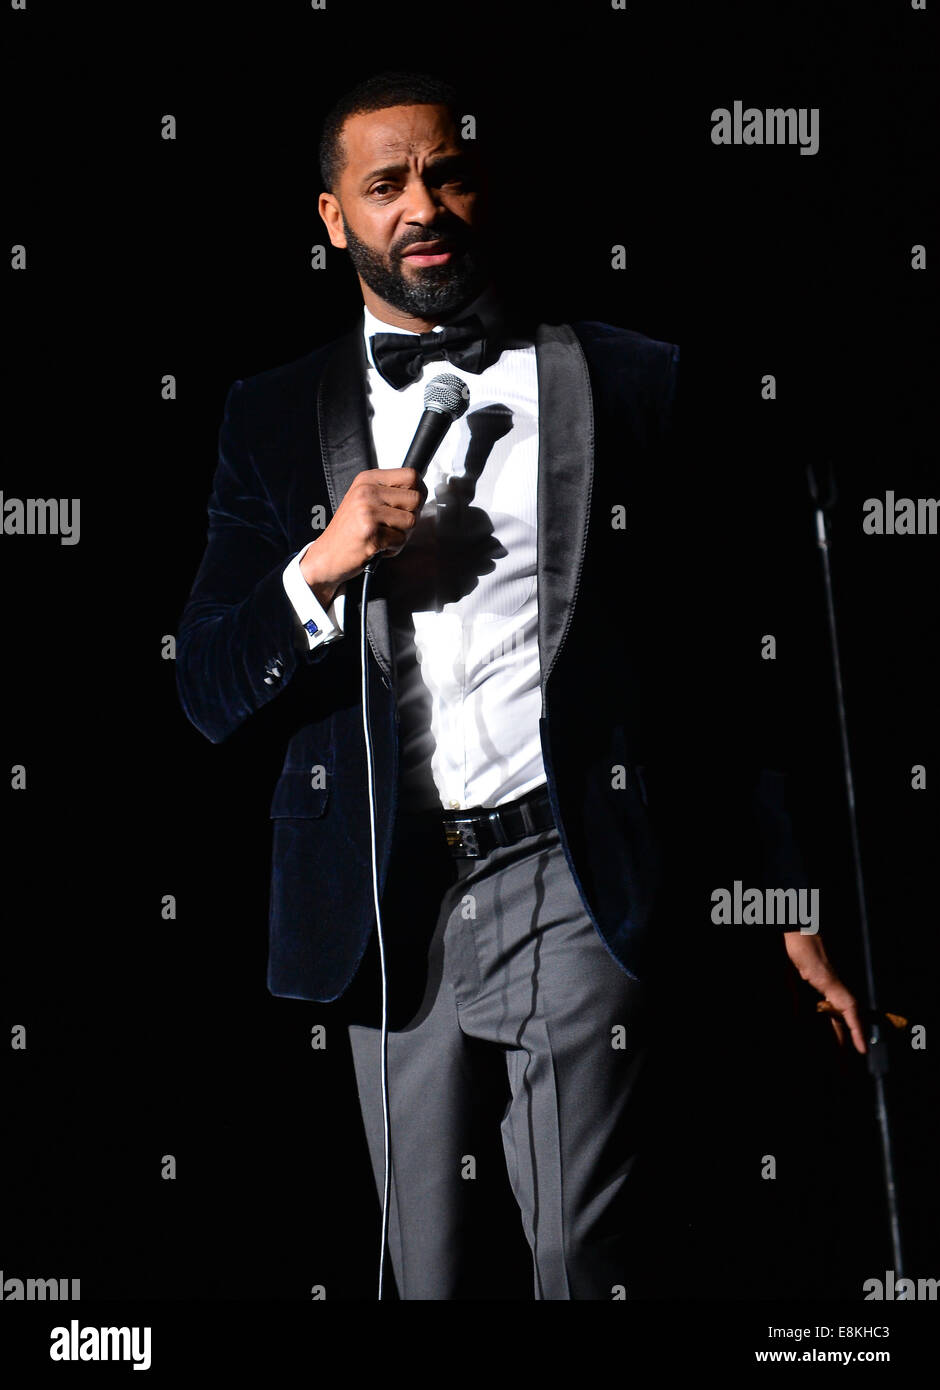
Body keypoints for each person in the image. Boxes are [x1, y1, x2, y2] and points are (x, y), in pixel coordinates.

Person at [175, 69, 865, 1300]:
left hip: (570, 866)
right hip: (389, 899)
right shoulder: (273, 413)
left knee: (580, 1253)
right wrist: (321, 567)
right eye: (384, 185)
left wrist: (782, 895)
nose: (422, 206)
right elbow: (207, 686)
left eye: (445, 174)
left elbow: (725, 664)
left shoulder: (629, 379)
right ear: (333, 217)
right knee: (424, 1269)